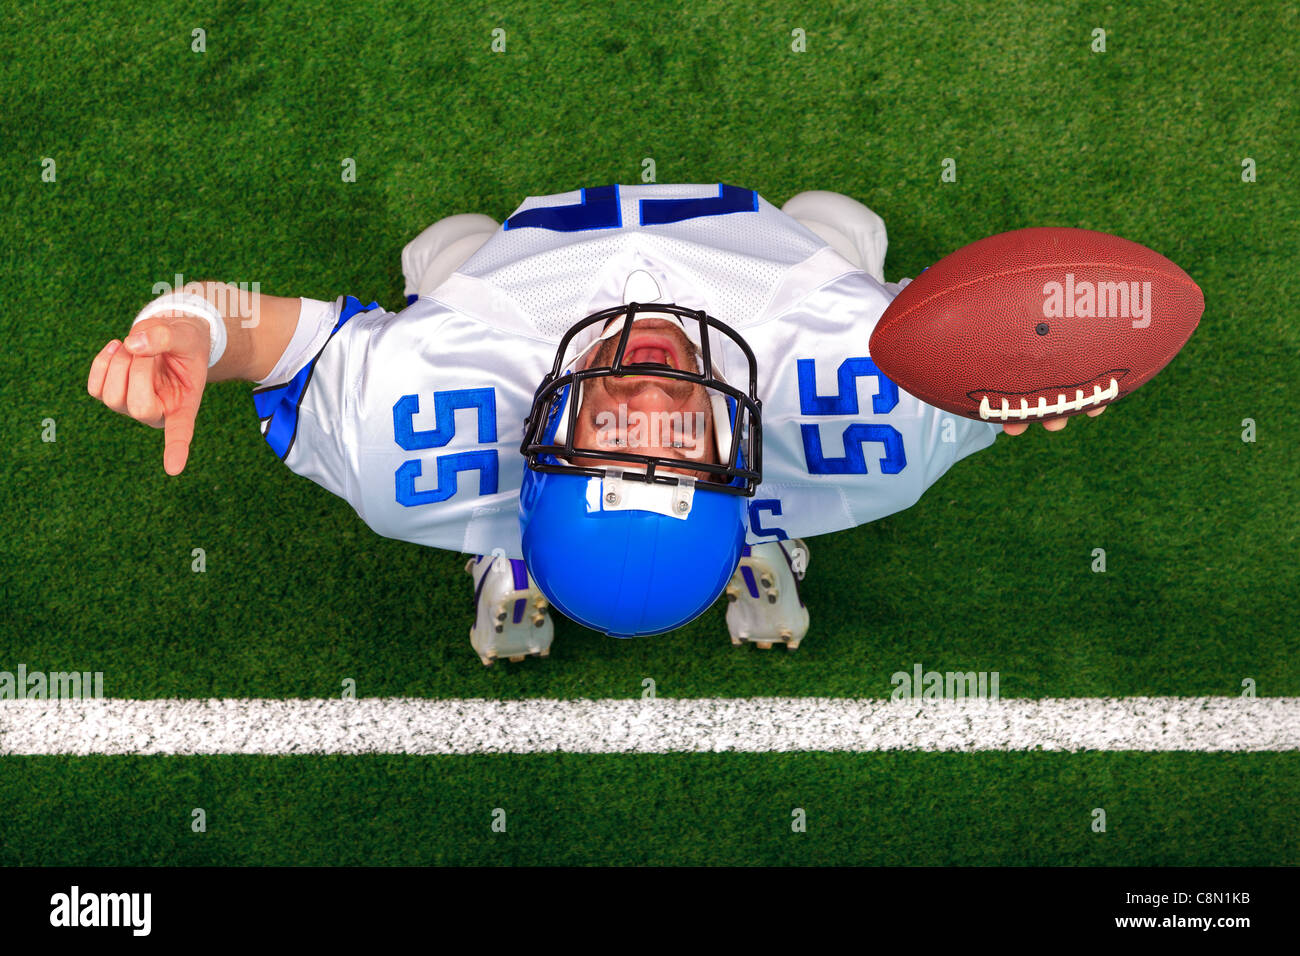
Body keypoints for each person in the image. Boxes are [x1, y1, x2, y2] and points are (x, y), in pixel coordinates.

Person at [87, 184, 1104, 664]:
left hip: (517, 270)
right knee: (840, 219)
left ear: (540, 433)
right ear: (735, 450)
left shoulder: (407, 426)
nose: (655, 387)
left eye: (618, 419)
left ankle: (513, 556)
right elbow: (1017, 330)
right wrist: (1034, 362)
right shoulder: (873, 406)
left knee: (447, 244)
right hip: (768, 264)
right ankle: (764, 536)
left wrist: (177, 322)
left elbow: (257, 333)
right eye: (684, 432)